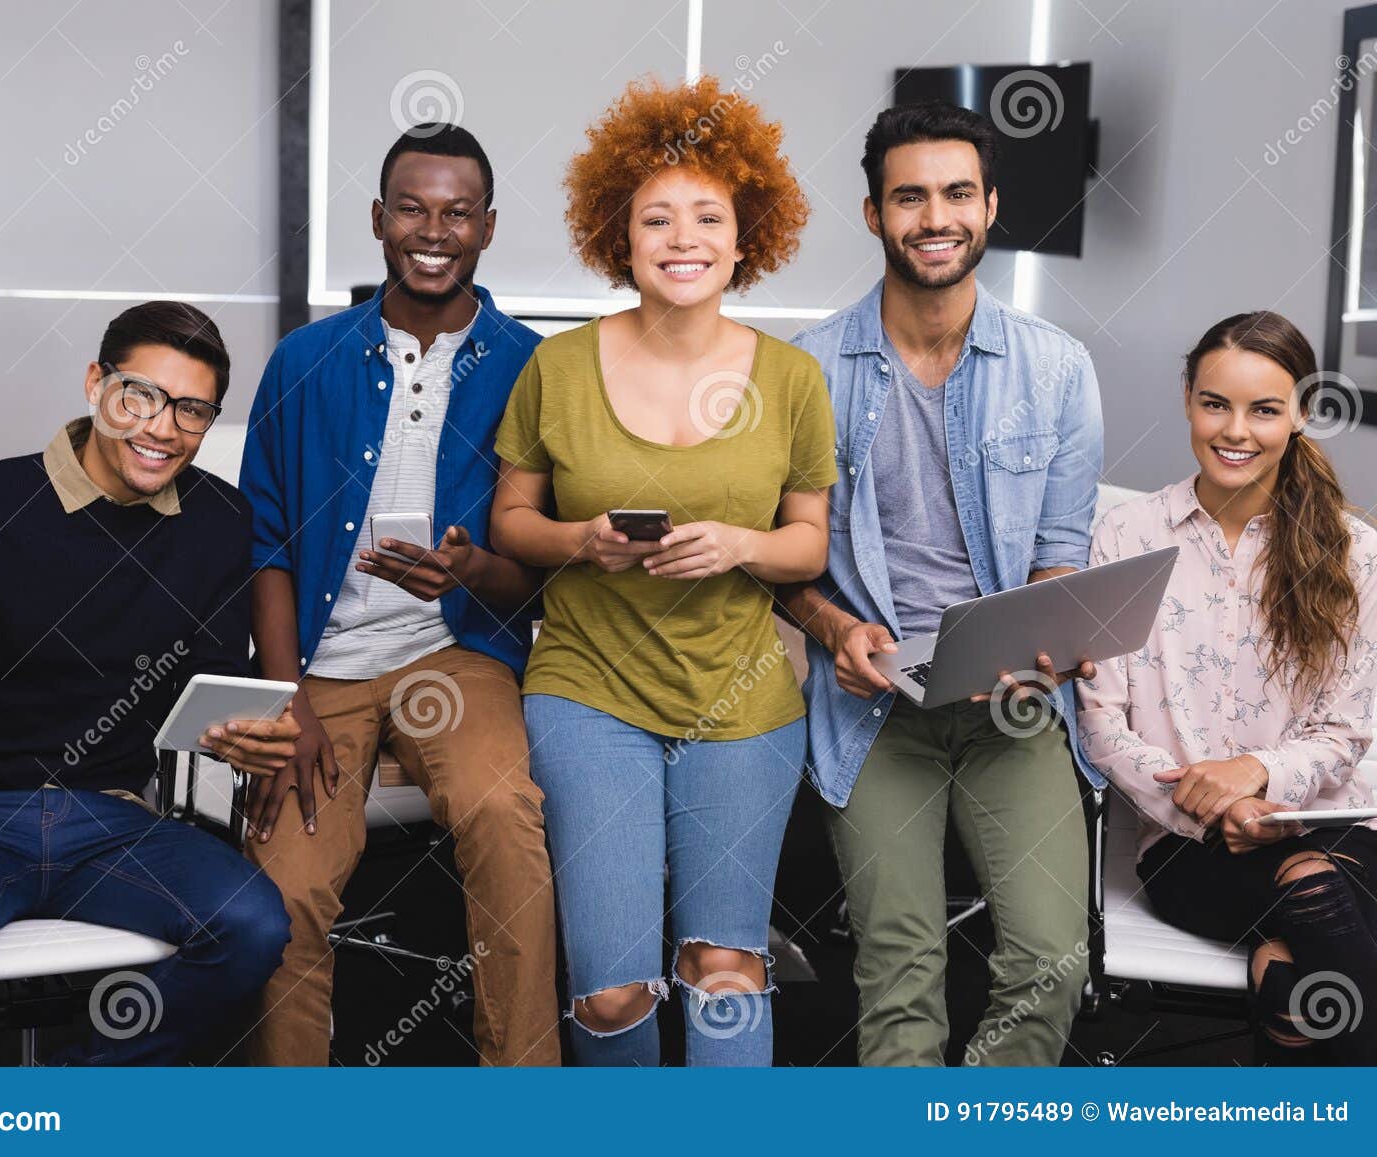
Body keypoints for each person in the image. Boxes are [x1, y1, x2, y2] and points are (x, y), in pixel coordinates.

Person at [0, 301, 296, 1066]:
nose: (162, 427)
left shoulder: (220, 521)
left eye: (192, 409)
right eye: (140, 394)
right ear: (95, 384)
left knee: (253, 924)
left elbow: (212, 682)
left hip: (114, 821)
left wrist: (242, 731)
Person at [490, 77, 835, 1067]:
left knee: (723, 963)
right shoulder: (556, 367)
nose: (681, 237)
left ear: (744, 237)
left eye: (706, 217)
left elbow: (807, 543)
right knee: (609, 989)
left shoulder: (791, 378)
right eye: (655, 217)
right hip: (588, 689)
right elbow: (512, 521)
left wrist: (739, 544)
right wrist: (580, 541)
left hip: (741, 702)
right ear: (620, 235)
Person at [777, 101, 1106, 1066]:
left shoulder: (1058, 368)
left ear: (991, 205)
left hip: (1014, 707)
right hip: (874, 708)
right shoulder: (806, 372)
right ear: (875, 213)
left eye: (958, 192)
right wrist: (835, 628)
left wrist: (1041, 644)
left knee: (1052, 959)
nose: (936, 216)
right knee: (898, 963)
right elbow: (783, 562)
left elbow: (1061, 551)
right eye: (909, 196)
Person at [239, 123, 559, 1066]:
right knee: (284, 891)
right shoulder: (305, 360)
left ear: (489, 227)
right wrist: (283, 696)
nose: (434, 230)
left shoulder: (531, 366)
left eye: (458, 212)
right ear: (379, 219)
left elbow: (532, 574)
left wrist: (468, 571)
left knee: (504, 818)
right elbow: (266, 544)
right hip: (321, 667)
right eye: (412, 208)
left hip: (451, 652)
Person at [1078, 311, 1377, 1064]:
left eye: (1265, 409)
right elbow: (1104, 727)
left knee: (1294, 950)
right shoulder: (1127, 535)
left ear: (1302, 412)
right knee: (1314, 896)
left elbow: (1346, 731)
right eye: (1216, 403)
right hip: (1185, 845)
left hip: (1333, 824)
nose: (1235, 429)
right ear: (1187, 399)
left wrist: (1258, 776)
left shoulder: (1357, 553)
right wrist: (1213, 808)